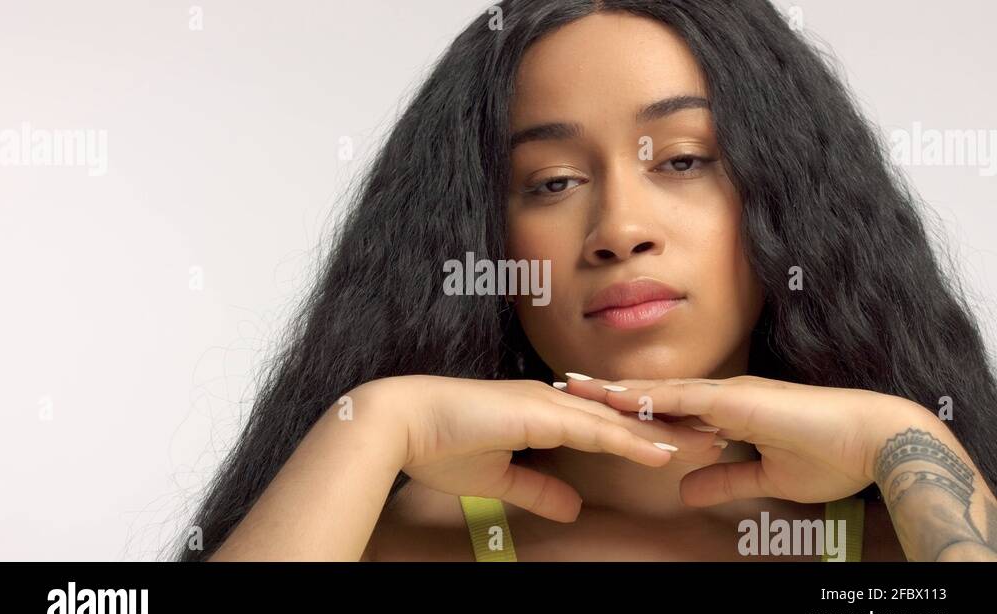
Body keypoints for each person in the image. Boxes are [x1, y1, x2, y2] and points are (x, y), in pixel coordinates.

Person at [177, 0, 997, 562]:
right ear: (483, 233)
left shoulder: (898, 552)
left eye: (682, 160)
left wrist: (904, 441)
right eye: (553, 182)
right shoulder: (396, 541)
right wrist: (374, 423)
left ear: (786, 196)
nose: (618, 232)